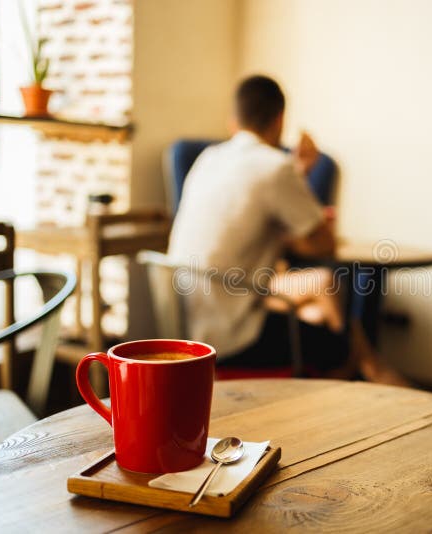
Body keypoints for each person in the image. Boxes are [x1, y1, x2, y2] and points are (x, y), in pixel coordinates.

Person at [168, 75, 407, 385]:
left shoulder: (207, 159)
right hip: (233, 339)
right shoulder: (275, 166)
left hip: (186, 323)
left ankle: (369, 368)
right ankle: (365, 379)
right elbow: (324, 244)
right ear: (280, 120)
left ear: (233, 121)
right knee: (342, 347)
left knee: (321, 311)